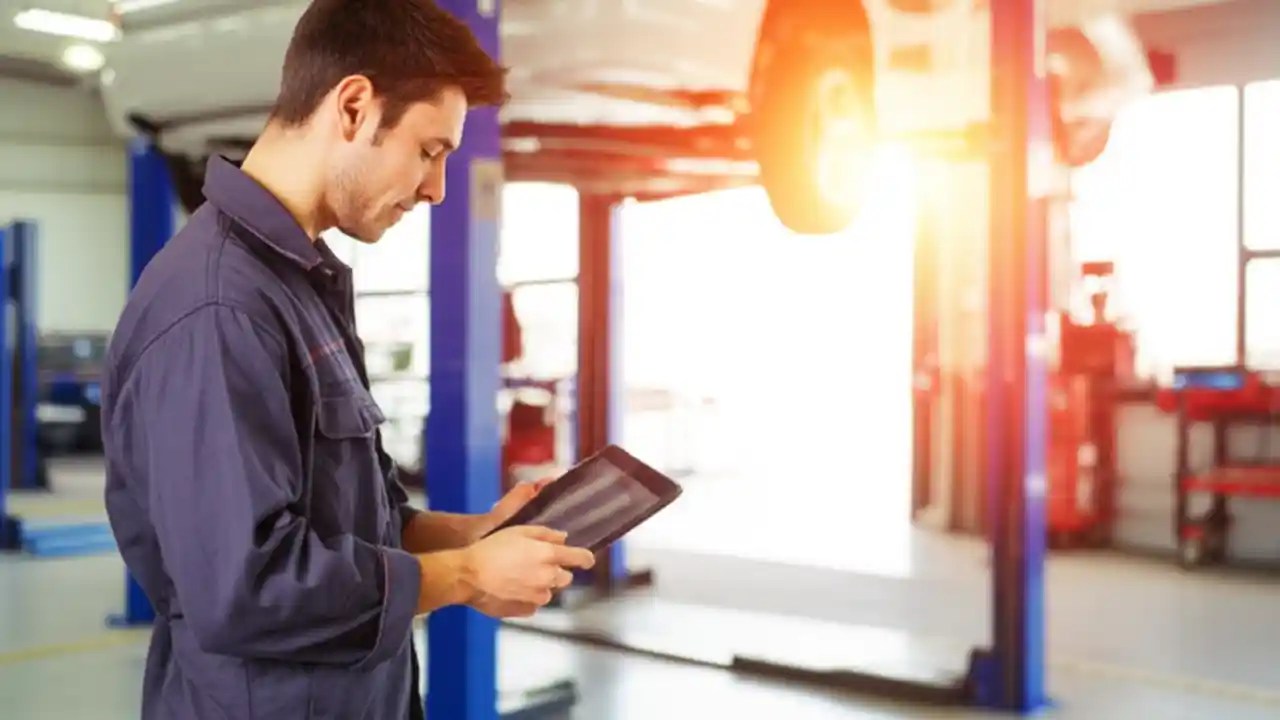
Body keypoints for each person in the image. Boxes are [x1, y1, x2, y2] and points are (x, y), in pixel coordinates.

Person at [99, 1, 595, 718]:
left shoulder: (297, 283)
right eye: (431, 151)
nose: (437, 189)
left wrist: (472, 535)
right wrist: (463, 576)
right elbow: (247, 585)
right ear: (355, 107)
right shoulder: (218, 309)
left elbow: (350, 522)